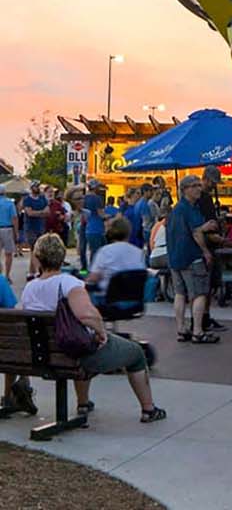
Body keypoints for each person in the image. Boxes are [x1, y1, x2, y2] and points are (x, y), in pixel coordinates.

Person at [20, 234, 167, 424]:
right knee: (136, 353)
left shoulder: (29, 288)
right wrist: (102, 332)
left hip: (47, 356)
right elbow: (87, 315)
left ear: (38, 258)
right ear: (62, 255)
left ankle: (83, 403)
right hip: (73, 354)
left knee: (79, 344)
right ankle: (149, 409)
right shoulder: (69, 283)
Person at [167, 174, 220, 344]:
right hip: (192, 257)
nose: (199, 188)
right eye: (194, 185)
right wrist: (206, 251)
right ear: (185, 189)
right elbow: (196, 232)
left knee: (180, 294)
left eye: (199, 184)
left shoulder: (175, 210)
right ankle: (198, 331)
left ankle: (181, 329)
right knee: (199, 294)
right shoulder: (190, 209)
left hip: (175, 258)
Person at [84, 216, 149, 302]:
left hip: (109, 300)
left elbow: (94, 277)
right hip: (134, 301)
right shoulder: (139, 252)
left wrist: (83, 278)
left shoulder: (105, 251)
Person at [0, 188, 15, 282]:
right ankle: (7, 275)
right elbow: (14, 218)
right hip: (7, 228)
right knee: (8, 254)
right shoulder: (9, 203)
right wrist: (16, 232)